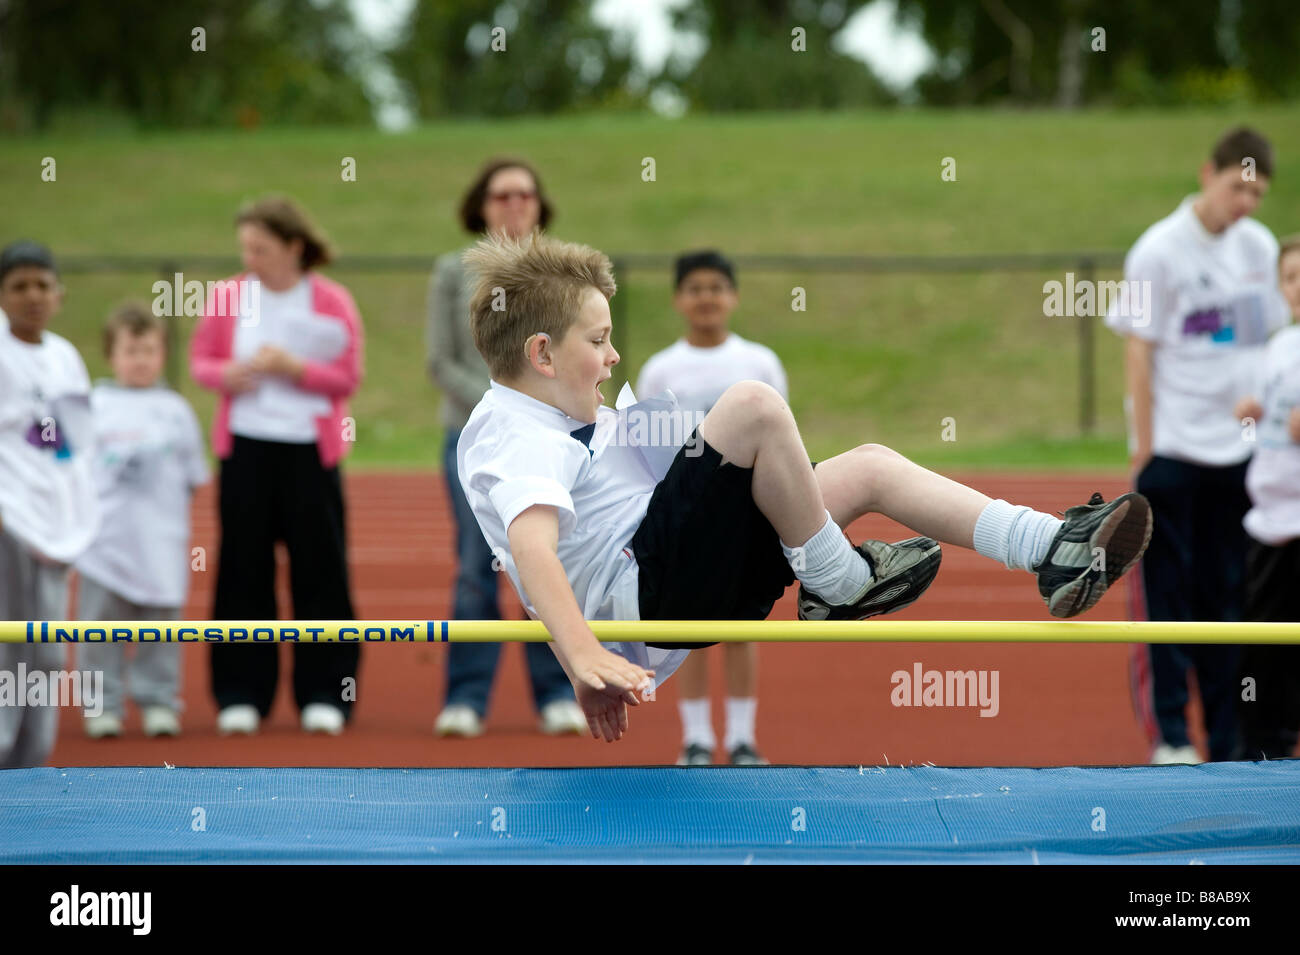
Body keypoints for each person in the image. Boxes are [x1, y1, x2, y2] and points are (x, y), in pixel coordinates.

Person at [455, 231, 1152, 744]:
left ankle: (1049, 548)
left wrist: (591, 662)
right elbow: (532, 548)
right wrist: (582, 657)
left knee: (869, 466)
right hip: (651, 587)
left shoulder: (564, 416)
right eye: (598, 339)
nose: (612, 355)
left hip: (680, 590)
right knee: (752, 405)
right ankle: (835, 579)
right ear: (541, 354)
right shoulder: (513, 433)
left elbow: (557, 553)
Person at [1108, 127, 1290, 765]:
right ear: (1207, 173)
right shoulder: (1156, 251)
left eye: (1258, 193)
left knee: (1229, 604)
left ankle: (1227, 736)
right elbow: (1138, 349)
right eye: (1238, 186)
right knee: (1168, 604)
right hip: (1176, 455)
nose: (1246, 202)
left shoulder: (1259, 247)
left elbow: (1269, 340)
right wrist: (1146, 448)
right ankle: (1173, 737)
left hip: (1239, 457)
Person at [190, 196, 363, 736]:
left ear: (293, 247)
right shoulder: (228, 297)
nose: (250, 258)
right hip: (245, 450)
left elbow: (347, 377)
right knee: (242, 569)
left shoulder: (331, 299)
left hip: (310, 454)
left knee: (322, 571)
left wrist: (296, 368)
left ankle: (327, 694)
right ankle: (240, 692)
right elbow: (200, 362)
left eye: (260, 248)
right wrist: (227, 374)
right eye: (245, 248)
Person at [426, 158, 583, 738]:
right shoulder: (452, 272)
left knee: (547, 561)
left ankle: (556, 693)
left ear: (540, 204)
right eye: (500, 196)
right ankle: (465, 697)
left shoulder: (561, 274)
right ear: (481, 205)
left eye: (524, 194)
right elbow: (439, 360)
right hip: (473, 441)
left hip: (548, 443)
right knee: (476, 565)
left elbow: (577, 355)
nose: (513, 205)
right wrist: (506, 402)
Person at [636, 250, 787, 766]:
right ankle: (696, 737)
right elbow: (646, 443)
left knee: (742, 625)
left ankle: (743, 738)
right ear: (679, 299)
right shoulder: (661, 368)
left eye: (716, 287)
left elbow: (779, 438)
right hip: (686, 513)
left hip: (747, 509)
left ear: (734, 296)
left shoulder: (760, 362)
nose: (706, 298)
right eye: (695, 288)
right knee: (690, 628)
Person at [76, 302, 210, 739]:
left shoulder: (175, 410)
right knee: (99, 627)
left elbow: (193, 476)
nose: (141, 360)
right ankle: (102, 705)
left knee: (161, 625)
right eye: (131, 350)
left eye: (149, 350)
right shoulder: (92, 406)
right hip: (104, 544)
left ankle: (158, 701)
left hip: (161, 542)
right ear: (111, 355)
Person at [0, 240, 99, 767]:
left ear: (58, 294)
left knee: (48, 647)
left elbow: (77, 441)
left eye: (42, 285)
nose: (32, 296)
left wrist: (79, 511)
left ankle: (32, 761)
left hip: (55, 522)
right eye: (18, 286)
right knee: (7, 640)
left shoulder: (65, 357)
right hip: (8, 519)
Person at [1233, 236, 1300, 759]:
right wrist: (1255, 412)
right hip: (1268, 519)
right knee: (1262, 645)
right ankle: (1264, 748)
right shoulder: (1280, 344)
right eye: (1291, 278)